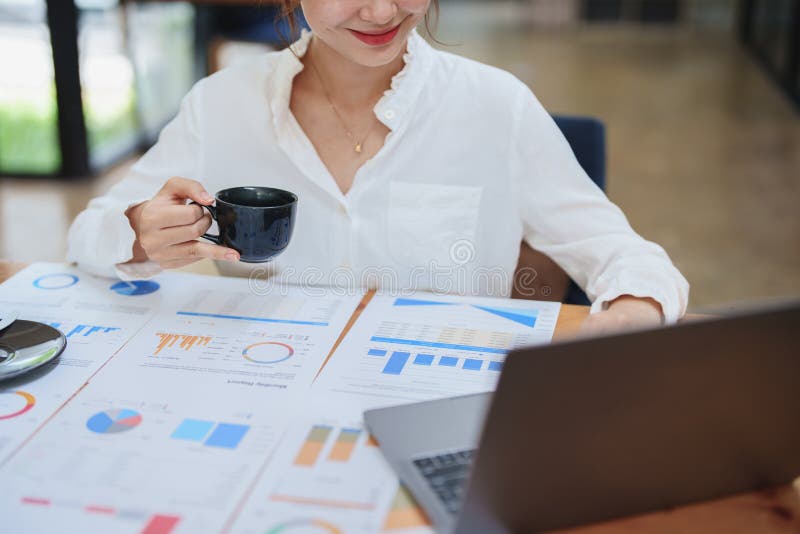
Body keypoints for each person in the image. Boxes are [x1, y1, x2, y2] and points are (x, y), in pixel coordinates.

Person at [66, 0, 689, 333]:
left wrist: (629, 315)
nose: (383, 11)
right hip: (268, 398)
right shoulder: (222, 105)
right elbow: (88, 237)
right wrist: (141, 229)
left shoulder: (496, 107)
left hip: (441, 411)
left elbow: (625, 256)